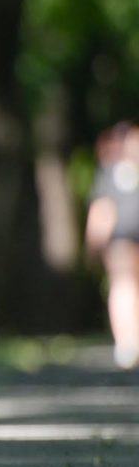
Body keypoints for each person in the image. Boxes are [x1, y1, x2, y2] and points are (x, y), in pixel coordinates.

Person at [86, 120, 139, 370]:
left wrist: (93, 242)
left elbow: (101, 211)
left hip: (121, 240)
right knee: (124, 286)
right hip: (122, 241)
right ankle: (128, 341)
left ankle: (128, 342)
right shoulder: (111, 172)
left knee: (124, 287)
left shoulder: (111, 172)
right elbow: (103, 210)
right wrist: (96, 239)